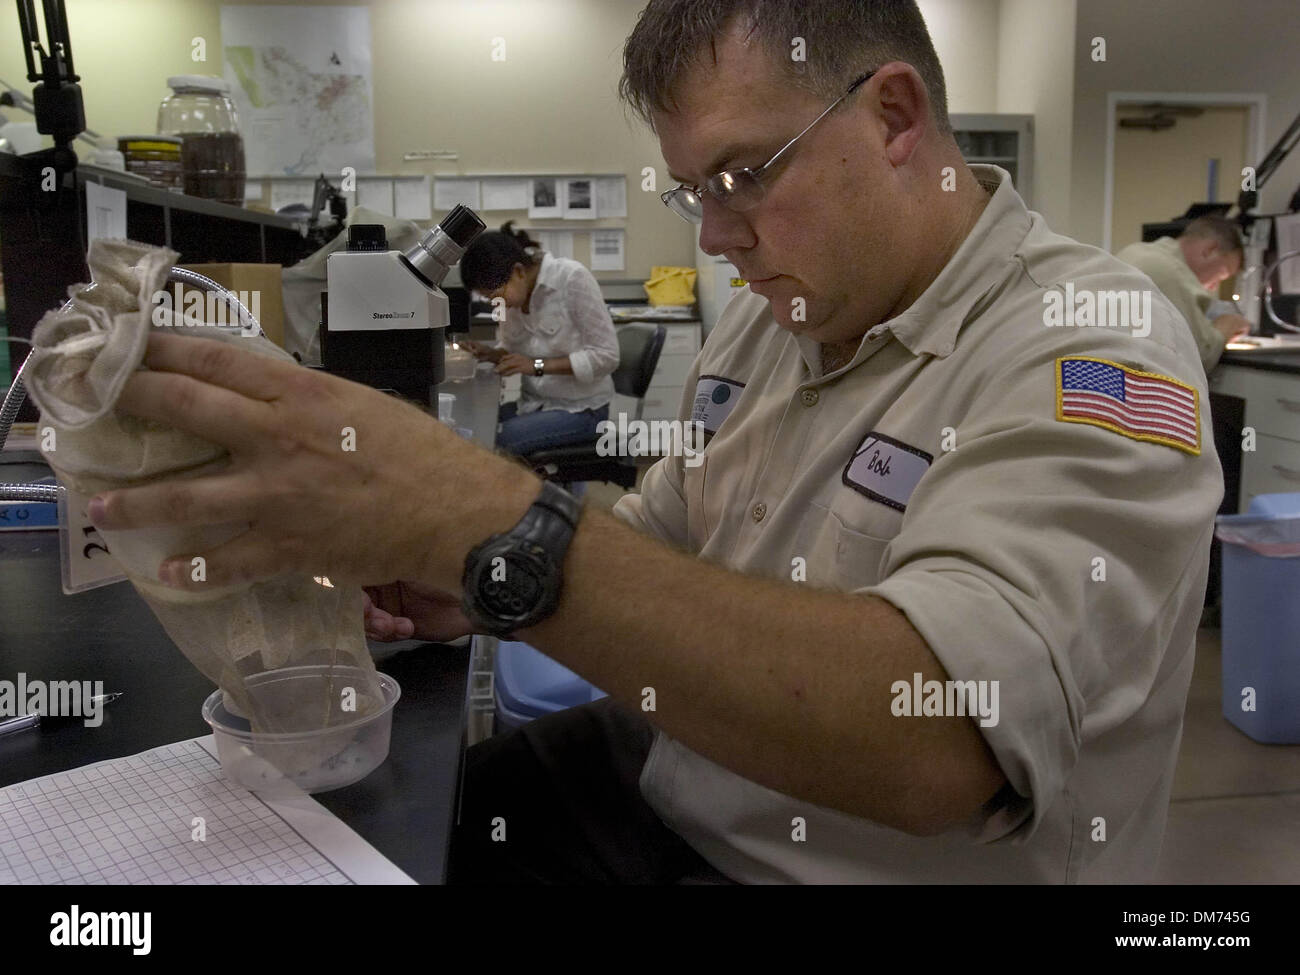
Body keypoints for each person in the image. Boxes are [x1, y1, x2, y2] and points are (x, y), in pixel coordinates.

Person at [89, 0, 1223, 883]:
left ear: (892, 116)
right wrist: (473, 578)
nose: (720, 237)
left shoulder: (1098, 347)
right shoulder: (779, 308)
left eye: (741, 176)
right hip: (684, 778)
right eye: (694, 194)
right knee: (336, 844)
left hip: (846, 863)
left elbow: (936, 746)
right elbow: (659, 527)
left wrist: (493, 524)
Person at [457, 221, 619, 456]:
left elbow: (607, 356)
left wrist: (537, 366)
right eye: (487, 298)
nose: (495, 304)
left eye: (495, 295)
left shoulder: (571, 278)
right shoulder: (512, 299)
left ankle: (542, 491)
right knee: (472, 428)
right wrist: (491, 354)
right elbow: (513, 348)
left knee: (496, 442)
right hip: (534, 404)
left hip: (582, 410)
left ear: (519, 272)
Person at [1116, 216, 1251, 372]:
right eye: (1222, 274)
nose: (1214, 287)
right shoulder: (1171, 273)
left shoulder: (1136, 250)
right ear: (1209, 251)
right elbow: (1197, 359)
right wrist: (1224, 330)